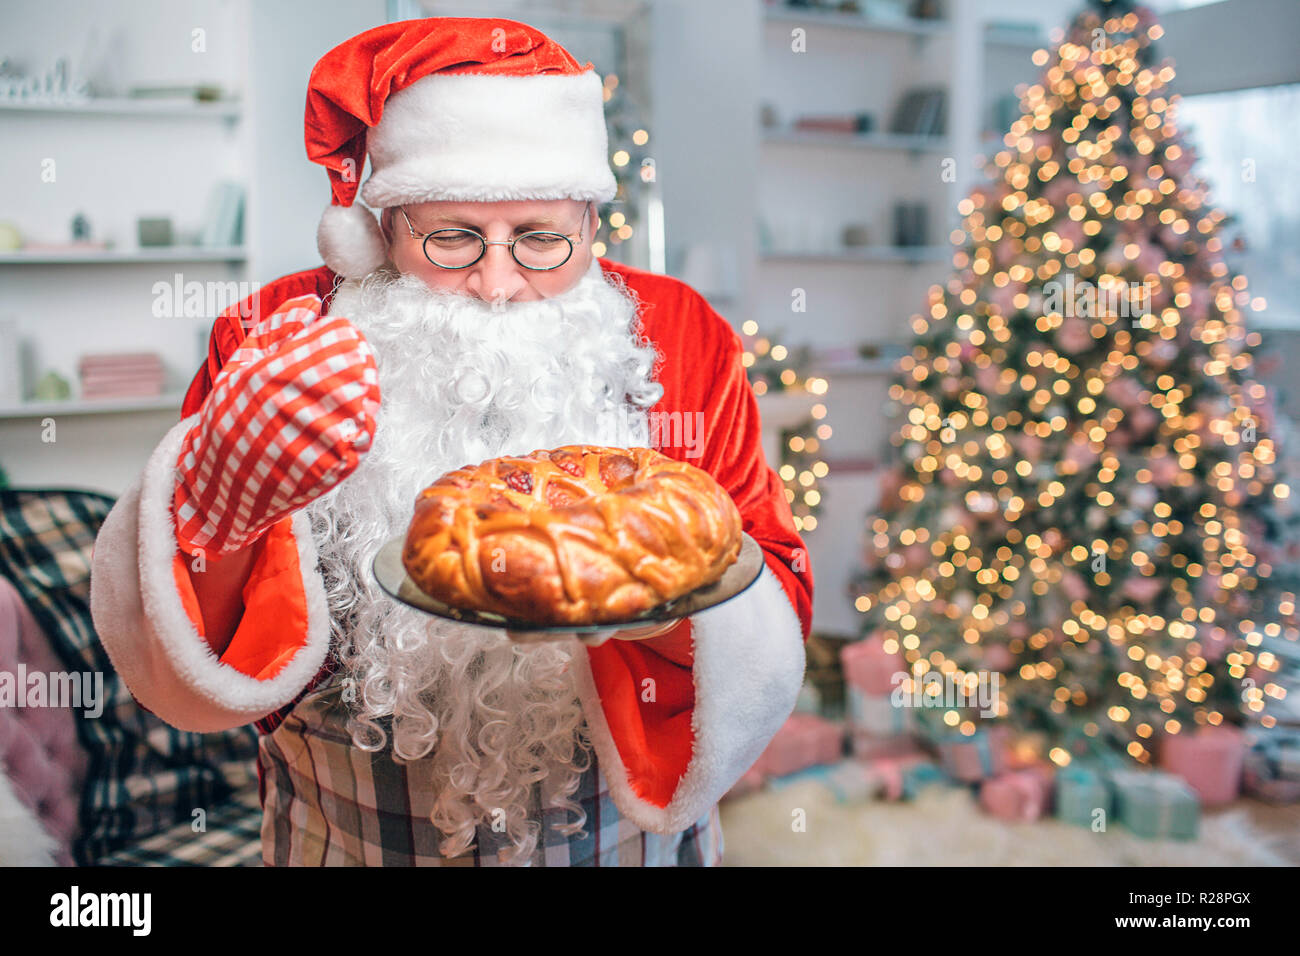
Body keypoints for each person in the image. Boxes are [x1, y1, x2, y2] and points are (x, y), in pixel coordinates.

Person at [90, 16, 813, 867]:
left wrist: (646, 611)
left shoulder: (680, 332)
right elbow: (184, 649)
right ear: (384, 227)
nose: (497, 283)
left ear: (591, 220)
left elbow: (770, 599)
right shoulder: (275, 333)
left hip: (623, 826)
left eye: (541, 238)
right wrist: (221, 508)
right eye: (453, 237)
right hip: (349, 824)